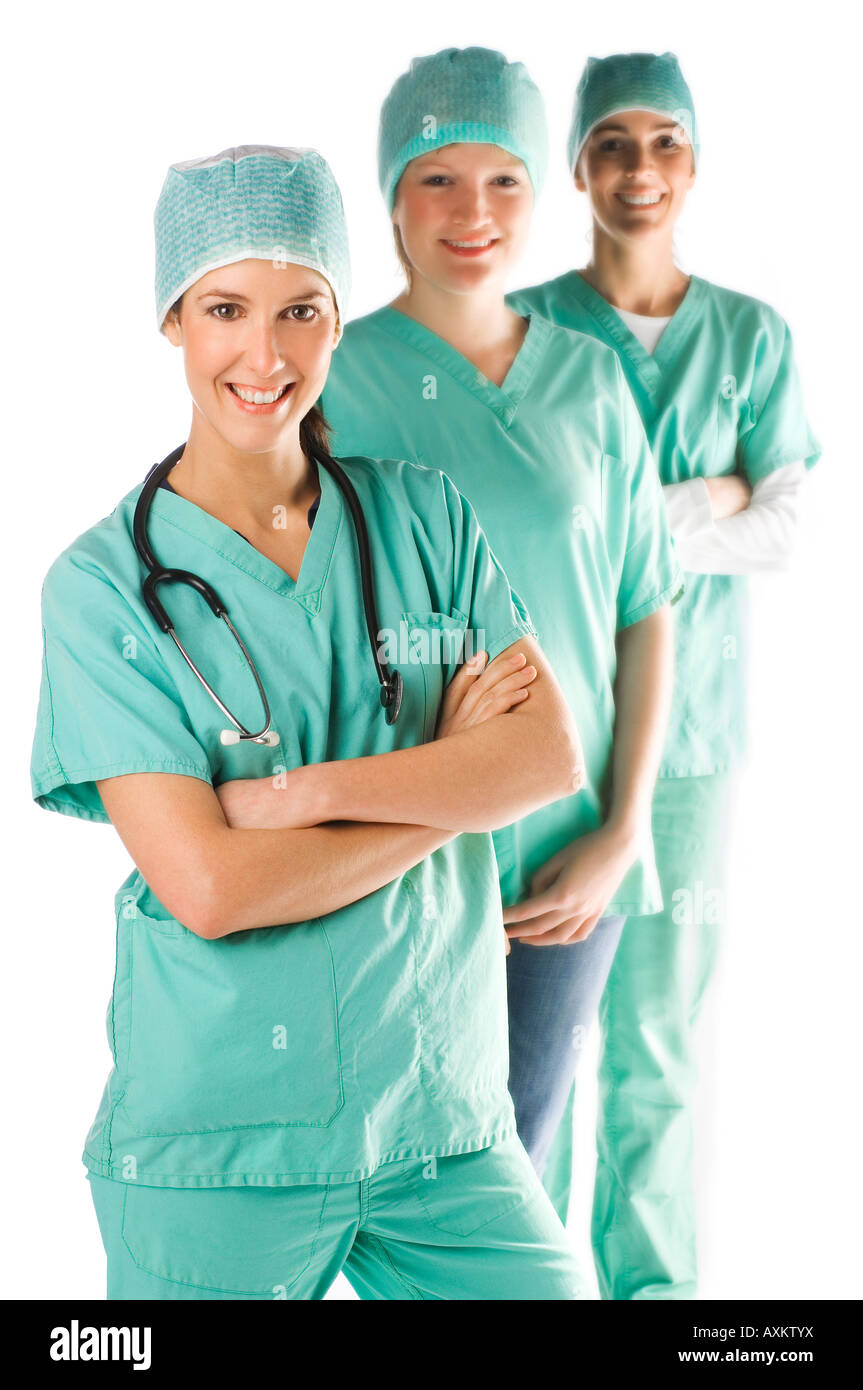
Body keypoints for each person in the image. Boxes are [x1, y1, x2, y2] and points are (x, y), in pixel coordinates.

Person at [30, 144, 590, 1301]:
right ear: (173, 319)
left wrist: (310, 795)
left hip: (440, 1124)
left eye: (302, 310)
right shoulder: (101, 589)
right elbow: (214, 889)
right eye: (226, 308)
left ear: (340, 321)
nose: (265, 354)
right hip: (221, 1152)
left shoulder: (425, 516)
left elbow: (542, 754)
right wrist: (448, 782)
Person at [321, 46, 683, 1224]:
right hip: (397, 861)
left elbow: (643, 612)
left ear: (543, 196)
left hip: (565, 866)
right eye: (436, 178)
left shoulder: (589, 380)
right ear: (388, 196)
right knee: (412, 1188)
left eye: (504, 181)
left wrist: (623, 830)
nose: (471, 214)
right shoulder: (333, 382)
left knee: (525, 1165)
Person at [511, 51, 822, 1299]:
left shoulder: (751, 335)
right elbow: (531, 525)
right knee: (534, 1050)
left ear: (692, 164)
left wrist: (636, 513)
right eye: (611, 143)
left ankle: (654, 1300)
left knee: (655, 1041)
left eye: (663, 141)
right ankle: (519, 1284)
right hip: (539, 742)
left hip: (685, 745)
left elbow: (788, 526)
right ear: (577, 167)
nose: (638, 168)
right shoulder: (523, 330)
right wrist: (709, 498)